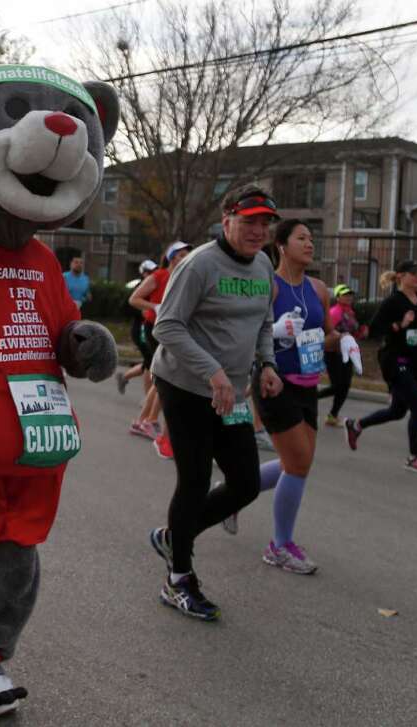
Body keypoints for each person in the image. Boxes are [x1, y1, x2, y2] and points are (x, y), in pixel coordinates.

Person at [148, 185, 282, 621]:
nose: (258, 231)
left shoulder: (263, 265)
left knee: (245, 483)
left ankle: (175, 537)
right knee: (195, 480)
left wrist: (266, 363)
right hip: (185, 386)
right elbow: (165, 327)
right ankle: (179, 578)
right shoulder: (199, 265)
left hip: (232, 392)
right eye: (249, 222)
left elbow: (265, 320)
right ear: (227, 220)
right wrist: (213, 370)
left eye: (265, 223)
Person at [240, 219, 335, 574]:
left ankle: (236, 492)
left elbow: (326, 333)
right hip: (273, 381)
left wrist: (345, 340)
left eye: (312, 238)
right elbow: (245, 333)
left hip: (308, 383)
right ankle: (279, 545)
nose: (310, 244)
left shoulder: (319, 289)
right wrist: (275, 333)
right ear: (281, 245)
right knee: (296, 464)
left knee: (299, 463)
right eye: (301, 238)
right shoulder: (269, 287)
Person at [343, 261, 417, 474]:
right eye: (413, 274)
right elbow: (375, 329)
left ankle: (356, 425)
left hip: (415, 361)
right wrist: (399, 325)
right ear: (401, 277)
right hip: (395, 360)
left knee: (397, 411)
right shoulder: (393, 302)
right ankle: (413, 457)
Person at [128, 241, 191, 452]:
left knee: (164, 377)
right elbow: (134, 299)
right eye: (182, 254)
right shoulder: (159, 276)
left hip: (175, 330)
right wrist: (155, 306)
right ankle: (149, 420)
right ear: (173, 257)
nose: (187, 258)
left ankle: (144, 420)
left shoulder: (185, 278)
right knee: (165, 377)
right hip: (155, 328)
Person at [318, 284, 366, 426]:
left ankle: (333, 415)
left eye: (350, 295)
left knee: (345, 386)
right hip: (334, 353)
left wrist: (361, 333)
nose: (348, 297)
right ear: (338, 297)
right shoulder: (334, 312)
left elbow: (352, 332)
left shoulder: (350, 312)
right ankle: (309, 398)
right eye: (345, 295)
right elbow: (327, 332)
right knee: (338, 386)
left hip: (348, 353)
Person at [115, 259, 158, 395]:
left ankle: (124, 377)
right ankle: (147, 397)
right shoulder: (140, 287)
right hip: (141, 330)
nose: (152, 274)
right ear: (143, 273)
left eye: (154, 271)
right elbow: (126, 307)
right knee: (150, 363)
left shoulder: (155, 285)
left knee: (150, 361)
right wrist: (142, 311)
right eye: (149, 272)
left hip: (150, 329)